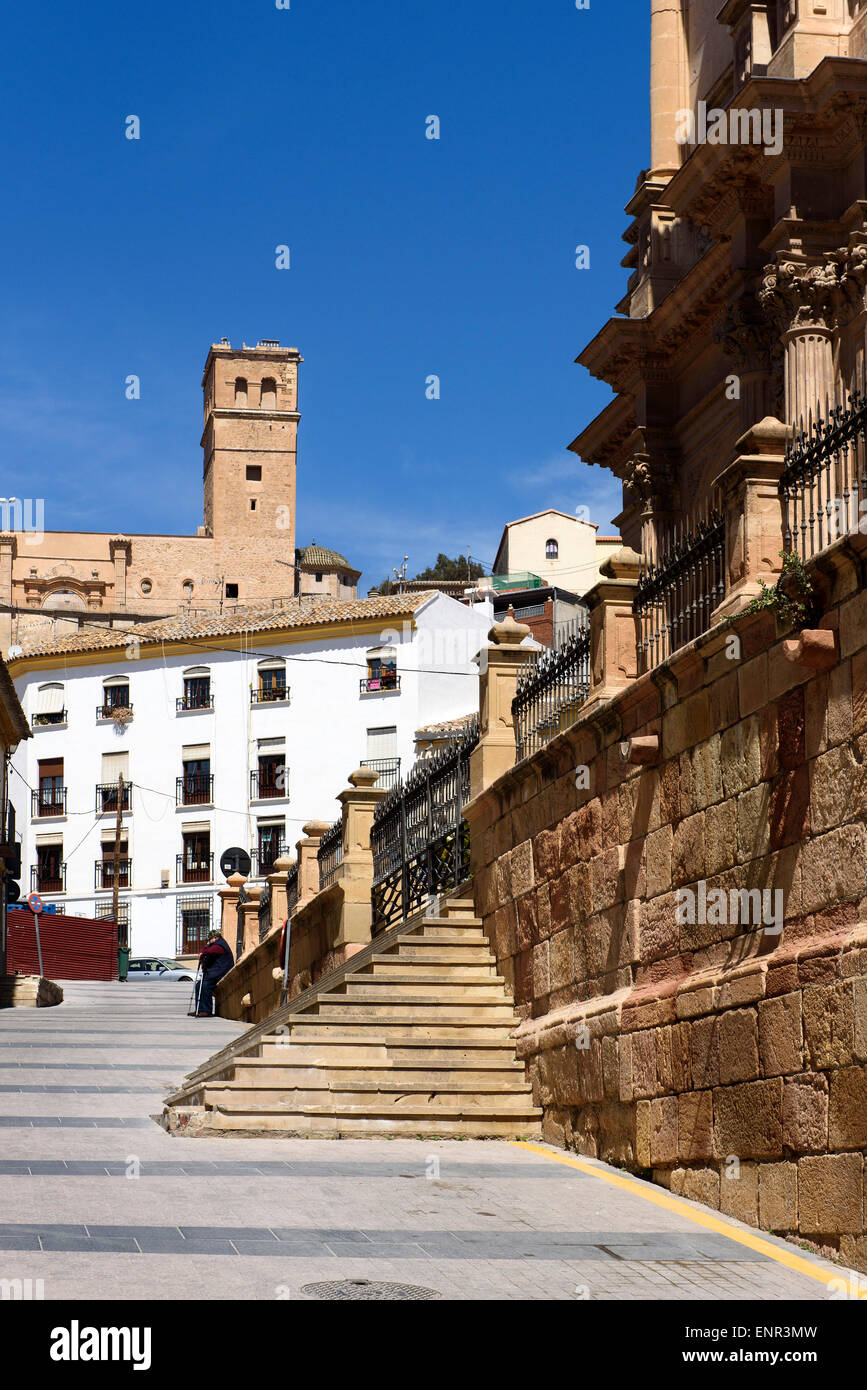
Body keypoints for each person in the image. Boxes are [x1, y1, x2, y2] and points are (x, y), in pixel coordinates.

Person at [190, 930, 235, 1016]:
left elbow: (210, 951)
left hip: (220, 972)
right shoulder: (214, 944)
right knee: (198, 985)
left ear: (215, 938)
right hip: (214, 972)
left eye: (210, 939)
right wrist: (202, 952)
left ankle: (206, 1010)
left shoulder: (220, 945)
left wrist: (203, 952)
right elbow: (205, 949)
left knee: (205, 985)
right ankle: (199, 1009)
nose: (209, 941)